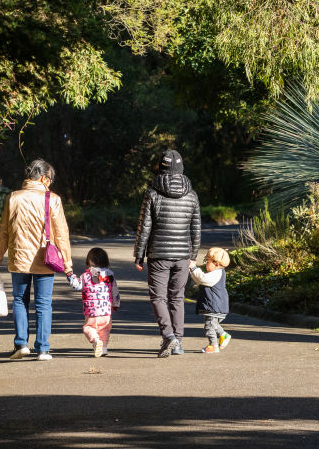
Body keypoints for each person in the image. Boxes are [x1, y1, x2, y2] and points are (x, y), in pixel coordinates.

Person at [0, 159, 73, 361]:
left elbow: (3, 231)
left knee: (20, 300)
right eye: (50, 179)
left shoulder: (13, 197)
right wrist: (67, 265)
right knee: (43, 304)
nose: (50, 183)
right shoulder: (53, 199)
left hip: (19, 257)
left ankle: (21, 344)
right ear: (43, 178)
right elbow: (61, 235)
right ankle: (43, 349)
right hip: (46, 258)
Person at [134, 149, 201, 357]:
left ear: (161, 168)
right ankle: (177, 342)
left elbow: (144, 227)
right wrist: (193, 255)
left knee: (158, 297)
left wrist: (139, 254)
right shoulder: (191, 194)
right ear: (181, 168)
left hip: (158, 255)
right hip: (183, 255)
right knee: (177, 298)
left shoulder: (152, 193)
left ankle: (168, 336)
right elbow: (196, 228)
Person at [67, 247, 120, 358]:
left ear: (89, 261)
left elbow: (76, 286)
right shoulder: (110, 276)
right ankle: (103, 348)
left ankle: (95, 340)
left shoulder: (86, 276)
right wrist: (116, 304)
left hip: (92, 311)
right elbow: (115, 291)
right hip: (106, 311)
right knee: (105, 329)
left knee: (88, 328)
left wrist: (70, 276)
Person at [189, 247, 232, 353]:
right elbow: (199, 280)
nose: (205, 263)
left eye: (207, 261)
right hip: (216, 305)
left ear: (216, 264)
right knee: (214, 324)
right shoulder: (218, 273)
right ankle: (223, 335)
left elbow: (202, 278)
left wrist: (193, 268)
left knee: (209, 326)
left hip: (214, 305)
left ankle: (213, 345)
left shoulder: (216, 274)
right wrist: (192, 270)